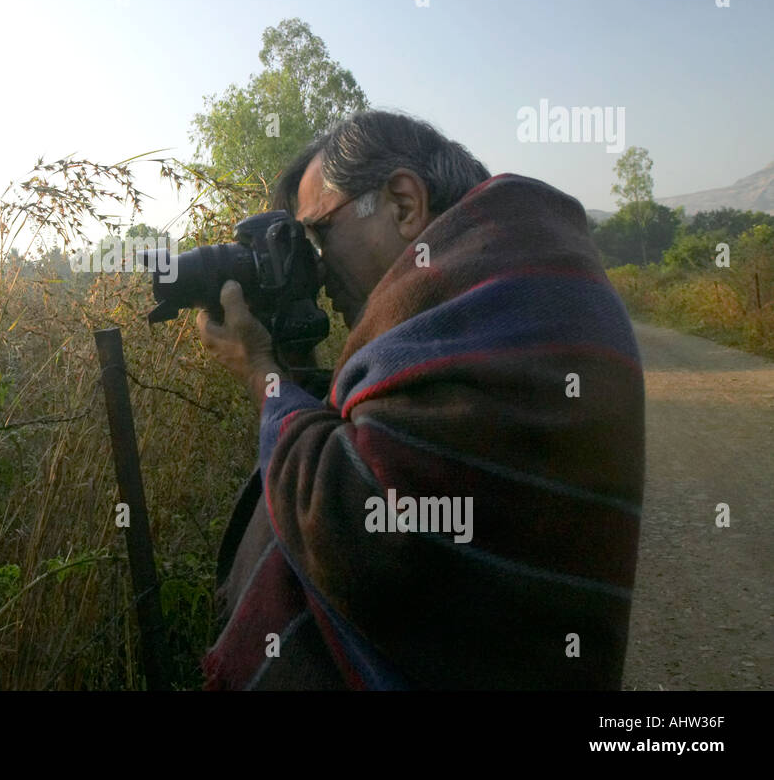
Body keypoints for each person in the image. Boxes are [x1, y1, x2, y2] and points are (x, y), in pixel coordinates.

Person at [197, 110, 645, 689]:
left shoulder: (482, 309)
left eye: (319, 233)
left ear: (404, 204)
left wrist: (260, 371)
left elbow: (352, 528)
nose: (314, 266)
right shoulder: (523, 275)